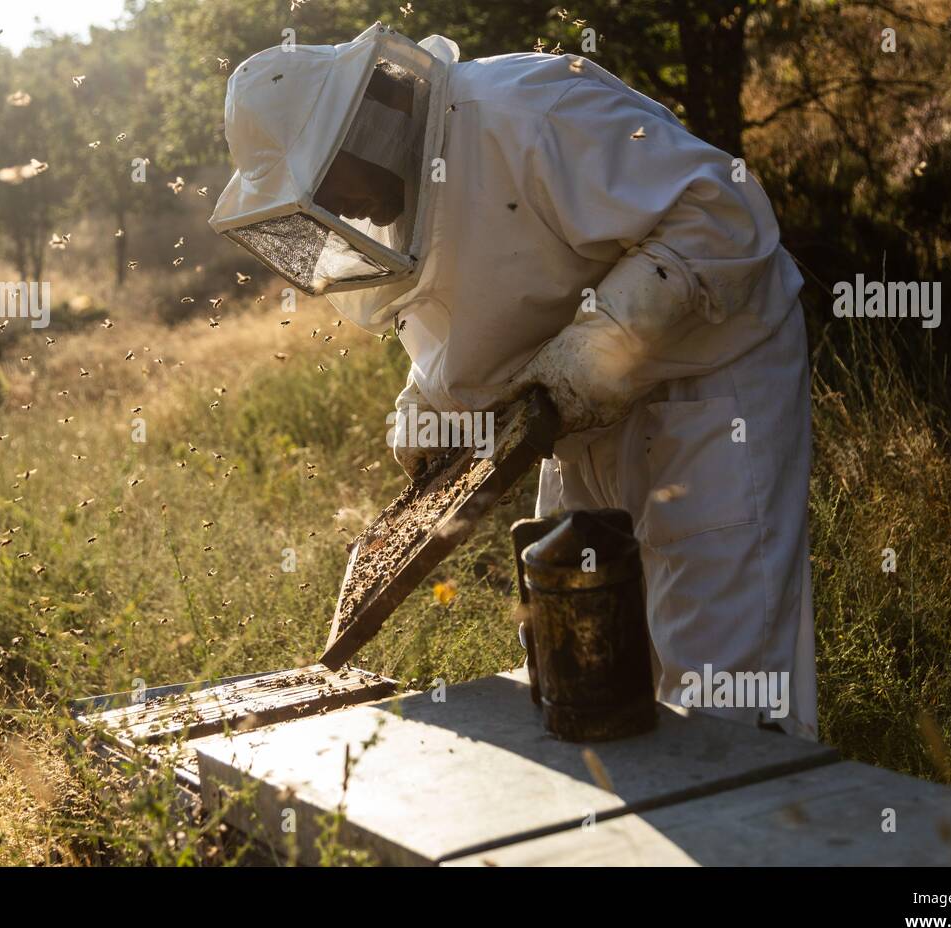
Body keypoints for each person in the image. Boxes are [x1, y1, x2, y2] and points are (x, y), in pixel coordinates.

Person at [210, 23, 818, 740]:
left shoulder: (532, 108)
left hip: (708, 382)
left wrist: (605, 344)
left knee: (719, 664)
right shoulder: (406, 184)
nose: (349, 216)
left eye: (336, 188)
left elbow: (723, 214)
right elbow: (481, 294)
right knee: (587, 648)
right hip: (574, 414)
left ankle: (752, 828)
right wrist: (431, 397)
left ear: (363, 129)